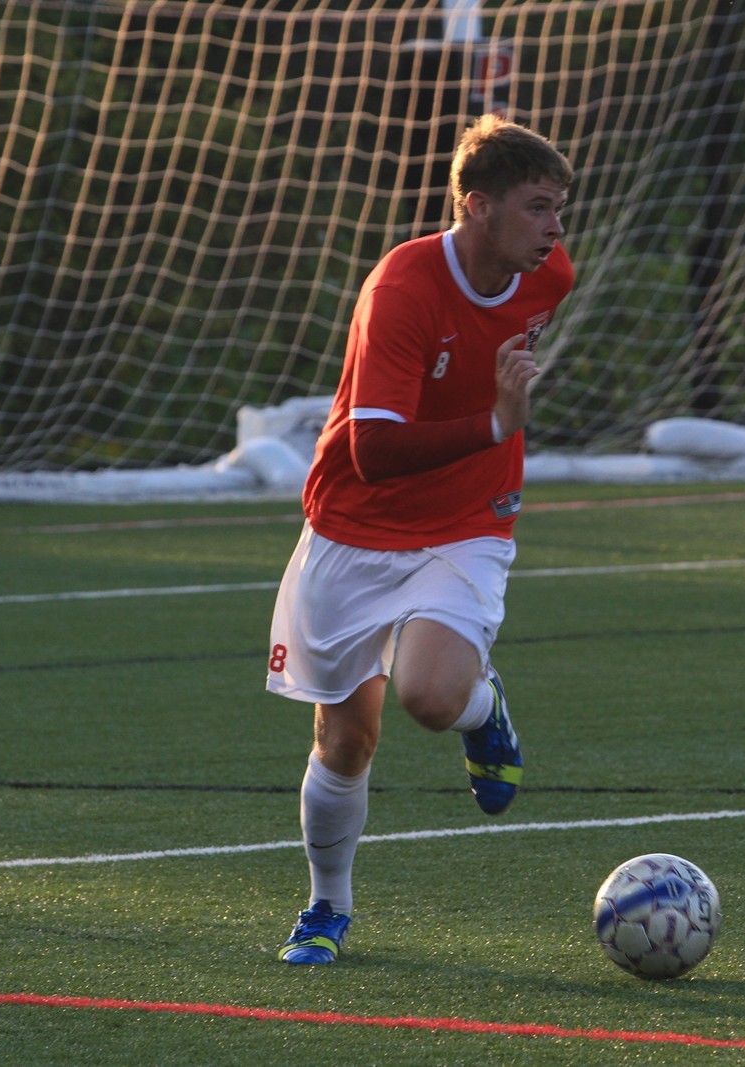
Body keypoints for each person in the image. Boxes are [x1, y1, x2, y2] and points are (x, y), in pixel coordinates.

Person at [265, 114, 574, 966]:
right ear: (477, 206)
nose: (555, 228)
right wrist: (495, 421)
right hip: (354, 523)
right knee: (344, 740)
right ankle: (327, 906)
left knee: (431, 697)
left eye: (560, 208)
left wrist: (493, 431)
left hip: (470, 520)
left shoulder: (548, 275)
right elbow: (373, 448)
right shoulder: (402, 288)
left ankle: (478, 705)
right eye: (538, 206)